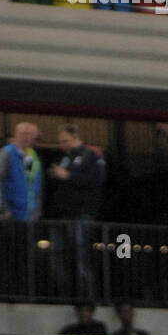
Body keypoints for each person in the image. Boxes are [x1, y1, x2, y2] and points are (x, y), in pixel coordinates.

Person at [48, 124, 105, 299]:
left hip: (81, 214)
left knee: (81, 256)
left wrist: (68, 176)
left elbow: (97, 180)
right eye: (60, 142)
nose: (62, 145)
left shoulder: (92, 155)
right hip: (62, 215)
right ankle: (62, 295)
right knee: (58, 256)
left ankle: (87, 297)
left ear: (75, 136)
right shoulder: (65, 159)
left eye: (65, 141)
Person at [0, 121, 42, 221]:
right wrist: (3, 209)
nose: (27, 138)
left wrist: (38, 209)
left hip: (30, 213)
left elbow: (36, 185)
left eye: (31, 135)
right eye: (24, 134)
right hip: (10, 212)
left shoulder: (34, 156)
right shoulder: (6, 154)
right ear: (16, 134)